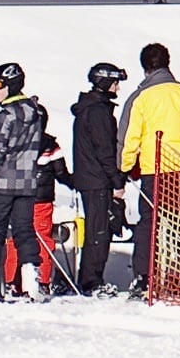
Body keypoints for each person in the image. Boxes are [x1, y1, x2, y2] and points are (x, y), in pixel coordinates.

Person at [117, 46, 180, 297]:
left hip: (154, 170)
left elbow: (129, 137)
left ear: (144, 66)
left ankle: (144, 278)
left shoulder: (141, 97)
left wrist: (124, 167)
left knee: (150, 224)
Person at [0, 64, 57, 299]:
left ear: (10, 86)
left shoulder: (4, 116)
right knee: (25, 232)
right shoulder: (35, 114)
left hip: (2, 184)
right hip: (26, 184)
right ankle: (32, 285)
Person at [69, 64, 126, 293]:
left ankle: (89, 279)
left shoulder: (89, 108)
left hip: (89, 178)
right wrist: (116, 180)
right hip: (97, 180)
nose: (118, 88)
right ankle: (91, 282)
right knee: (98, 232)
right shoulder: (98, 111)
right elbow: (105, 149)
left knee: (96, 230)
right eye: (115, 83)